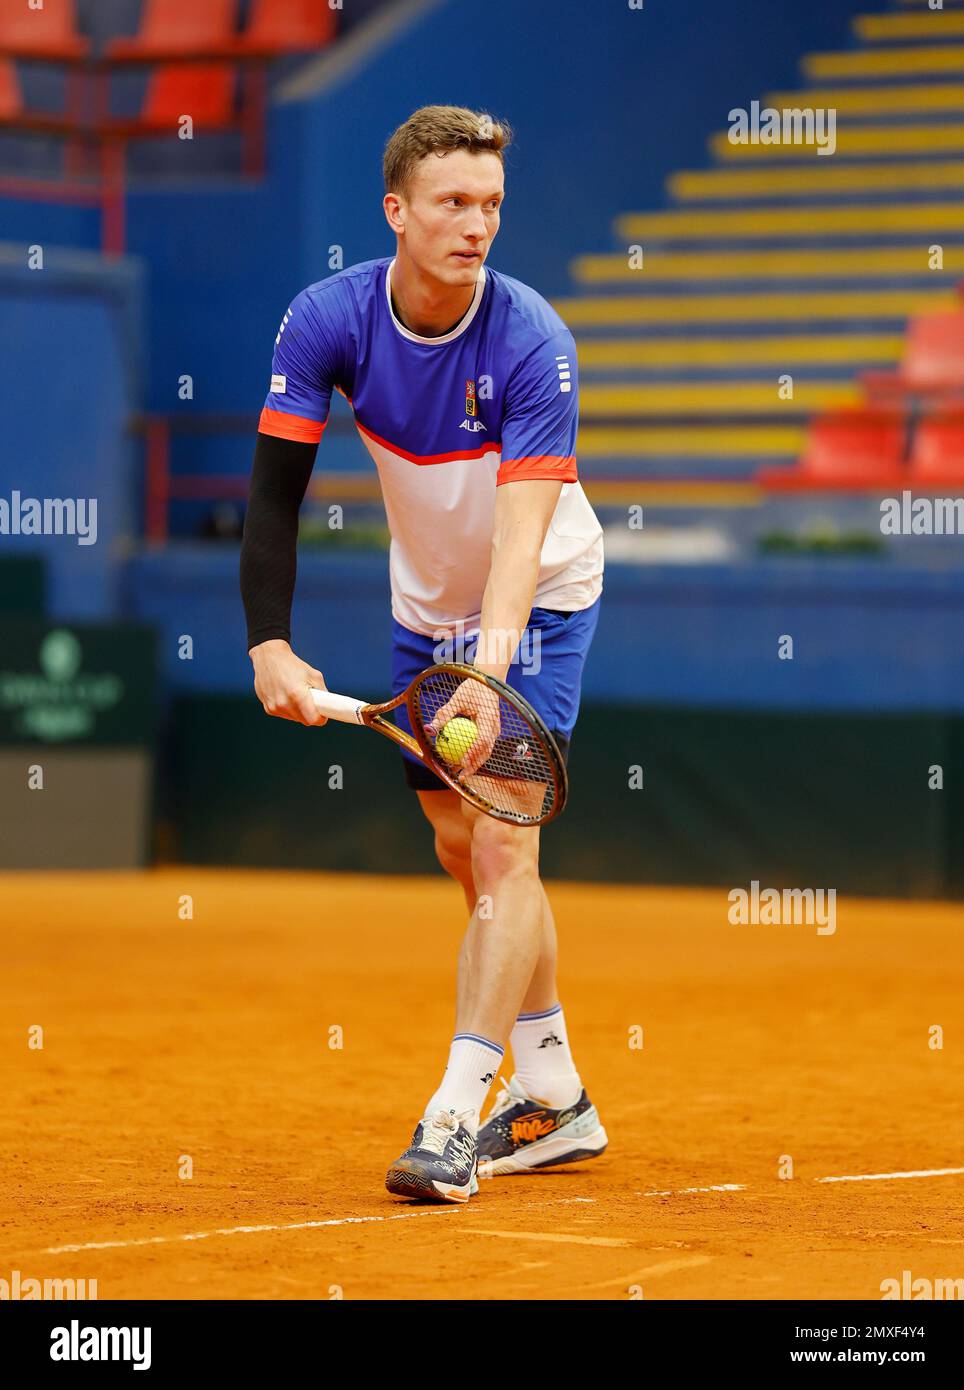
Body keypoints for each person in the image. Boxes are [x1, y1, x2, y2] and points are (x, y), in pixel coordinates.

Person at [240, 105, 607, 1203]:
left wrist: (487, 681)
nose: (476, 224)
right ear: (395, 211)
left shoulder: (534, 338)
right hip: (423, 604)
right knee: (459, 846)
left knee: (503, 852)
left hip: (534, 602)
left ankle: (455, 1115)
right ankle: (557, 1099)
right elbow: (273, 498)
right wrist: (270, 643)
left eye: (491, 204)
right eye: (452, 202)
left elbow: (521, 540)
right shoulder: (327, 319)